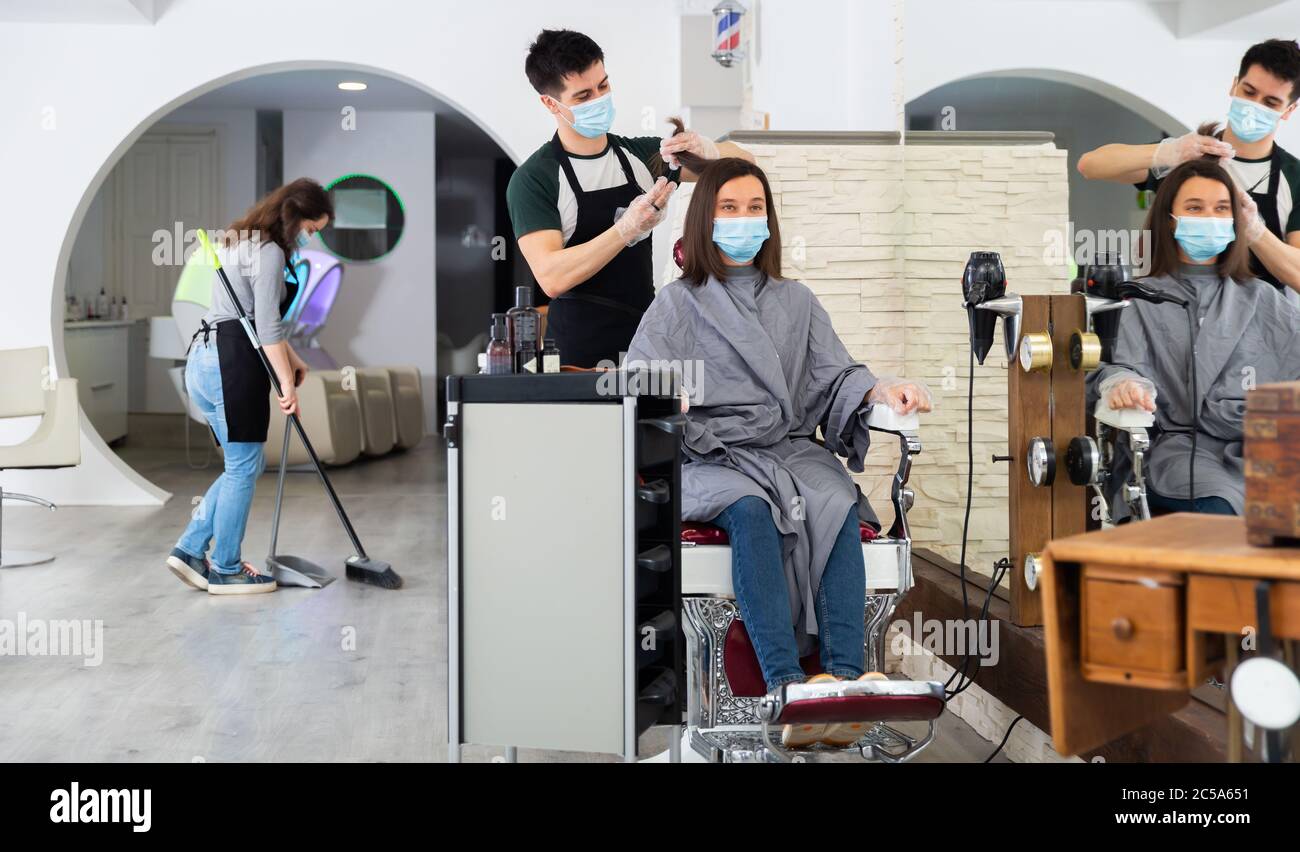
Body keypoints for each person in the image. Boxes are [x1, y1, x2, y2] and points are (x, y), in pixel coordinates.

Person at [624, 158, 931, 747]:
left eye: (755, 209)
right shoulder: (676, 303)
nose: (744, 220)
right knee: (750, 510)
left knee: (837, 498)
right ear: (704, 221)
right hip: (709, 455)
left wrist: (880, 389)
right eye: (729, 209)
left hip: (784, 449)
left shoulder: (796, 300)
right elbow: (639, 377)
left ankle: (842, 686)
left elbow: (836, 374)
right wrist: (668, 394)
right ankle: (785, 688)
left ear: (770, 221)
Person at [508, 28, 754, 368]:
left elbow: (745, 165)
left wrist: (708, 149)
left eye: (603, 86)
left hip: (646, 345)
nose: (598, 100)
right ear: (551, 103)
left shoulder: (640, 156)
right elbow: (551, 277)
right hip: (578, 358)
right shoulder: (535, 179)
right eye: (582, 96)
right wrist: (626, 229)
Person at [1088, 158, 1300, 518]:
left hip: (1263, 446)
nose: (1209, 218)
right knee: (1222, 505)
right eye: (1194, 208)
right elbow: (1113, 367)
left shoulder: (1261, 297)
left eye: (1221, 209)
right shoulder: (1137, 298)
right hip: (1181, 451)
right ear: (1170, 219)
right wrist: (1122, 385)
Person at [165, 178, 332, 594]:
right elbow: (266, 326)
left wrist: (292, 361)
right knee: (243, 465)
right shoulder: (271, 252)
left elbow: (250, 316)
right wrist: (285, 386)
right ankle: (226, 568)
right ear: (294, 217)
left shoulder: (239, 240)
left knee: (243, 464)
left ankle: (189, 550)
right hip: (232, 361)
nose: (310, 240)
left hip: (205, 358)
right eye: (312, 230)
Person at [1078, 39, 1300, 305]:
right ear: (1234, 85)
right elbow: (1091, 165)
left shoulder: (1293, 177)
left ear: (1288, 110)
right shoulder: (1186, 155)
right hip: (1171, 311)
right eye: (1249, 91)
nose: (1255, 106)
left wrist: (1254, 231)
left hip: (1258, 326)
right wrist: (1166, 153)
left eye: (1271, 102)